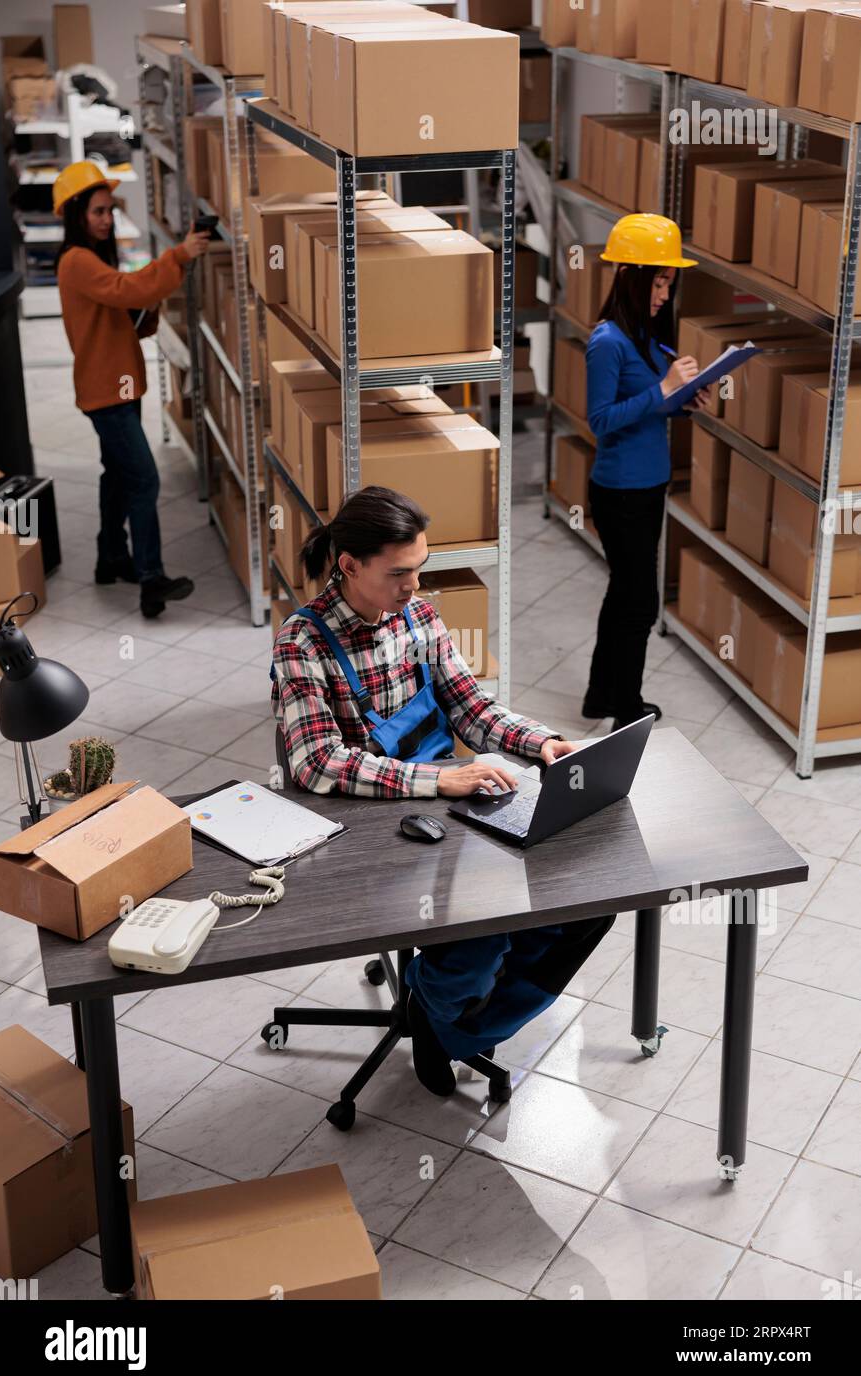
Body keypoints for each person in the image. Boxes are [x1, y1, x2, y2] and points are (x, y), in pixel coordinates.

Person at [270, 486, 616, 1097]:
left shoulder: (420, 619)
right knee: (485, 924)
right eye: (398, 573)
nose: (413, 587)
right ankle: (444, 1019)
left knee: (582, 901)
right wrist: (439, 779)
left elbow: (471, 707)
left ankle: (452, 1019)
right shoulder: (302, 644)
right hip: (365, 829)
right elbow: (315, 763)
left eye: (420, 569)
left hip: (444, 809)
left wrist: (540, 743)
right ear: (348, 565)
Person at [55, 160, 210, 619]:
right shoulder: (77, 261)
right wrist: (177, 257)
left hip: (116, 386)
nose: (106, 220)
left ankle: (110, 559)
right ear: (75, 214)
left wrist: (148, 300)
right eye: (97, 212)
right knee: (144, 478)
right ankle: (150, 578)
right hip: (107, 393)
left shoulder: (92, 259)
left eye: (108, 211)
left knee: (119, 475)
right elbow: (126, 291)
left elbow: (121, 312)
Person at [582, 213, 710, 731]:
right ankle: (626, 709)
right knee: (640, 603)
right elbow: (600, 421)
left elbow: (650, 407)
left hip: (649, 483)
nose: (663, 293)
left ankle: (601, 696)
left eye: (669, 283)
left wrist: (683, 402)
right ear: (632, 276)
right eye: (657, 281)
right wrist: (661, 391)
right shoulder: (608, 341)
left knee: (624, 594)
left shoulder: (645, 337)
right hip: (621, 490)